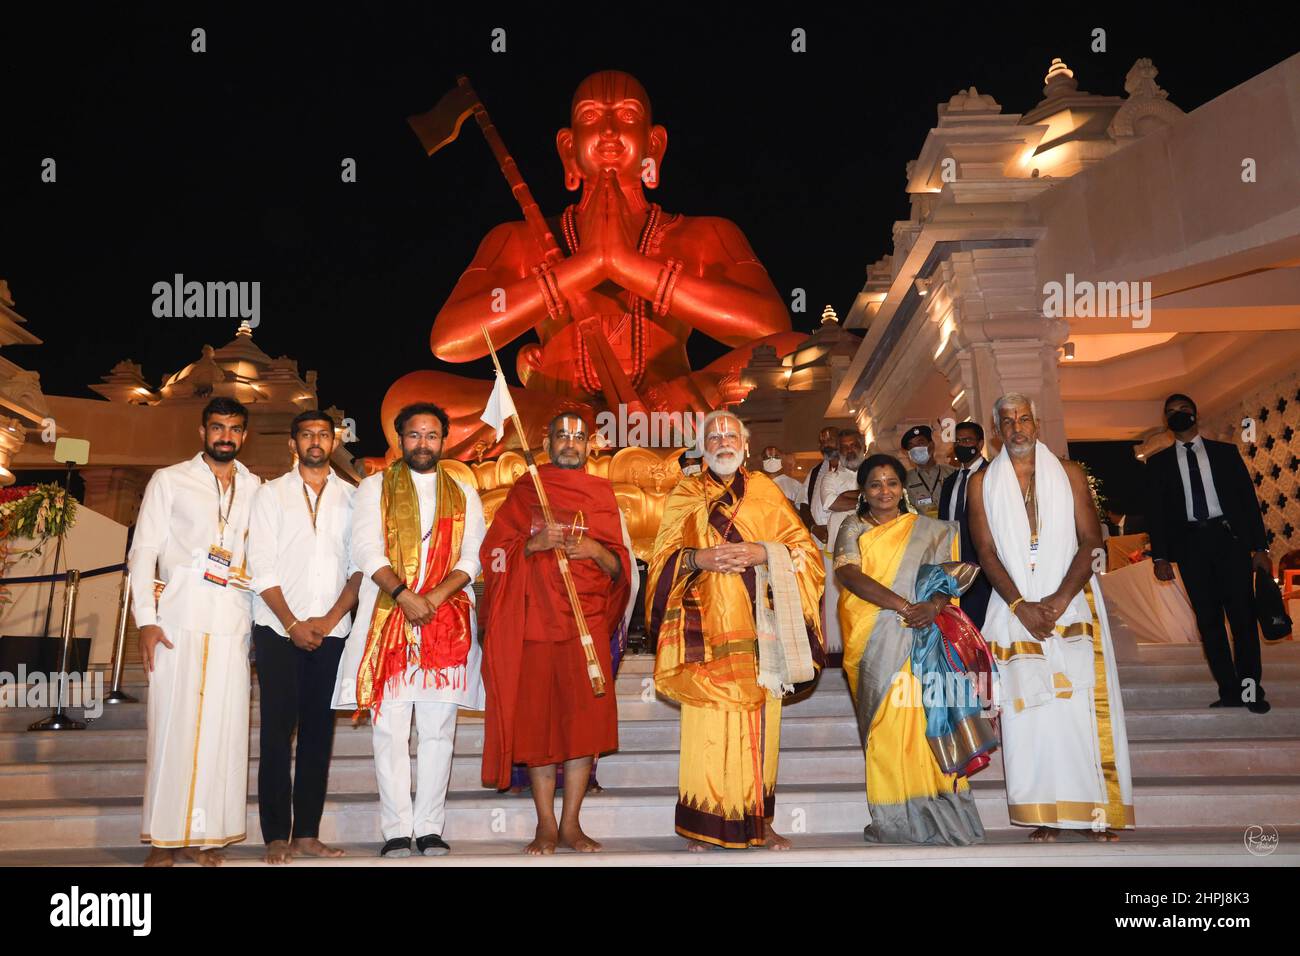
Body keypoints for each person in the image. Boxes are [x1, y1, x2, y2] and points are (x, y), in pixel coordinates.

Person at [647, 410, 824, 850]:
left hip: (763, 628)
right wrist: (697, 559)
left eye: (730, 434)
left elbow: (807, 554)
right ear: (702, 445)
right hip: (704, 629)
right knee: (707, 724)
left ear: (745, 445)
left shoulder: (765, 491)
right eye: (714, 435)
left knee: (763, 723)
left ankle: (761, 821)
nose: (723, 440)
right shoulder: (685, 492)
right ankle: (704, 823)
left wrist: (764, 552)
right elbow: (660, 560)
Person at [968, 393, 1135, 842]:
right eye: (1008, 421)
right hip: (1013, 608)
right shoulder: (982, 482)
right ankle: (1045, 813)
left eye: (1024, 419)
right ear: (998, 429)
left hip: (1073, 600)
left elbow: (1091, 540)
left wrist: (1060, 599)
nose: (1017, 428)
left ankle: (1095, 814)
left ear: (1036, 424)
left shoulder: (1070, 473)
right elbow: (985, 552)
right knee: (1031, 715)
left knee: (1081, 709)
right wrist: (1021, 606)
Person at [331, 402, 486, 857]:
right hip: (388, 617)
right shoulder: (374, 487)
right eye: (414, 435)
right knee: (391, 729)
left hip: (446, 619)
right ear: (400, 438)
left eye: (432, 435)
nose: (423, 443)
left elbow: (472, 558)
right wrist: (404, 595)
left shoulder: (464, 491)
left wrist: (433, 598)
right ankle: (397, 828)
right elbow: (364, 548)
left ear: (445, 440)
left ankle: (431, 826)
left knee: (439, 730)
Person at [480, 413, 634, 855]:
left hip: (586, 629)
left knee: (583, 729)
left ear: (590, 445)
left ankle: (572, 824)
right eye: (562, 435)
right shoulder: (526, 490)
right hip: (535, 628)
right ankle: (545, 824)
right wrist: (530, 545)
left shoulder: (602, 492)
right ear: (547, 442)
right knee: (541, 730)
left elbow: (621, 568)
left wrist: (595, 550)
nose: (570, 443)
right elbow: (491, 556)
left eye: (578, 437)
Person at [130, 397, 262, 867]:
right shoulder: (170, 480)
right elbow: (143, 551)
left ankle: (202, 836)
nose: (225, 435)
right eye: (217, 427)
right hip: (176, 622)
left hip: (231, 623)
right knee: (171, 728)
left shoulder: (255, 487)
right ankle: (165, 840)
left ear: (244, 435)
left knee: (223, 734)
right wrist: (146, 619)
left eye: (234, 428)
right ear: (202, 431)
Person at [834, 454, 987, 845]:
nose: (884, 491)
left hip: (924, 634)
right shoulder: (853, 526)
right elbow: (849, 574)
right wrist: (903, 606)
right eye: (875, 484)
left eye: (891, 483)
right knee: (885, 728)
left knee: (924, 722)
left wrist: (932, 607)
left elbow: (949, 574)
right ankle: (896, 819)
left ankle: (940, 814)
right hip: (874, 636)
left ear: (903, 488)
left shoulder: (929, 529)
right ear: (863, 492)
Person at [248, 410, 362, 864]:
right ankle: (276, 834)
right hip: (278, 629)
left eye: (323, 435)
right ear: (293, 443)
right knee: (277, 732)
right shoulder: (269, 495)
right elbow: (261, 565)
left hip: (333, 631)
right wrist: (293, 624)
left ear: (333, 443)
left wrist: (332, 619)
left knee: (319, 734)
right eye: (307, 435)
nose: (316, 441)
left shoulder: (354, 497)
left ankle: (308, 834)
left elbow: (359, 567)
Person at [1145, 393, 1272, 713]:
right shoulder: (1158, 464)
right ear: (1166, 420)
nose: (1178, 416)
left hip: (1229, 541)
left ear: (1195, 414)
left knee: (1243, 619)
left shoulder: (1225, 454)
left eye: (1183, 411)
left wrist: (1261, 548)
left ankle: (1249, 691)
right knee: (1209, 623)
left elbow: (1248, 502)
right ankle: (1228, 690)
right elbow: (1155, 513)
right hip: (1191, 548)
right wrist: (1159, 556)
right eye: (1171, 412)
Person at [816, 429, 866, 657]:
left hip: (872, 545)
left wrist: (850, 496)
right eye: (844, 446)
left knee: (868, 599)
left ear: (863, 446)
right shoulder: (831, 477)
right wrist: (866, 496)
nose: (849, 450)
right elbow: (831, 502)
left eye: (853, 444)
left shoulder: (874, 472)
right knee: (841, 602)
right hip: (840, 550)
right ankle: (841, 654)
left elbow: (885, 496)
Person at [938, 421, 992, 629]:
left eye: (967, 440)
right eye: (958, 441)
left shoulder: (992, 474)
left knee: (984, 619)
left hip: (983, 560)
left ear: (979, 443)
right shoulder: (951, 481)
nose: (962, 445)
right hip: (955, 561)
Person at [901, 425, 954, 519]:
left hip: (952, 527)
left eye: (920, 443)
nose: (915, 449)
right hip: (923, 530)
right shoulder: (905, 479)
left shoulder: (952, 473)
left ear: (931, 445)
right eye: (911, 446)